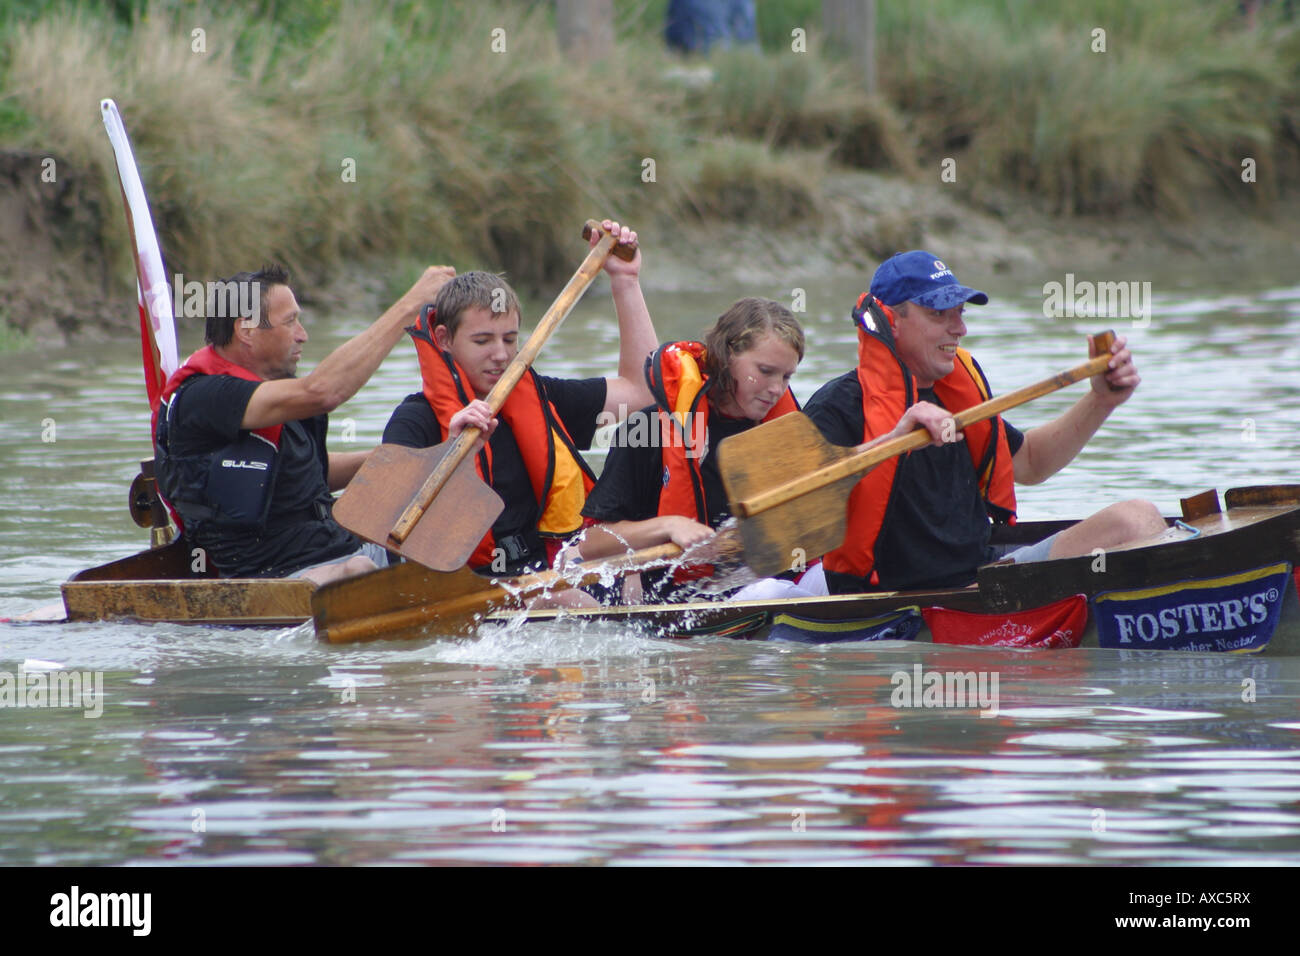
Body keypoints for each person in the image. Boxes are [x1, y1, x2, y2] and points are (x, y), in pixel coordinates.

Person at [803, 250, 1167, 594]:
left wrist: (1101, 400)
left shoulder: (959, 389)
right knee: (1136, 520)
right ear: (892, 320)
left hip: (982, 578)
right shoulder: (838, 405)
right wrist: (894, 439)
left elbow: (1031, 464)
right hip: (895, 600)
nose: (959, 328)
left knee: (1139, 521)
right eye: (939, 314)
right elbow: (801, 507)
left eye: (960, 313)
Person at [382, 221, 658, 578]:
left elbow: (642, 390)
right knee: (578, 602)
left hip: (543, 572)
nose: (501, 354)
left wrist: (625, 281)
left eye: (510, 340)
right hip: (466, 584)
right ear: (443, 339)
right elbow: (388, 531)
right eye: (482, 341)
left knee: (634, 577)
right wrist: (453, 449)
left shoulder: (544, 398)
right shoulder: (414, 420)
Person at [154, 262, 456, 584]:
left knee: (448, 529)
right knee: (362, 572)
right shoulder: (205, 396)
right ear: (247, 330)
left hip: (337, 550)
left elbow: (307, 478)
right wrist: (411, 305)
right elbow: (323, 391)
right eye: (291, 322)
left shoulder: (275, 393)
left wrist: (399, 460)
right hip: (280, 578)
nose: (303, 335)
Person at [575, 297, 804, 602]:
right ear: (727, 356)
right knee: (773, 593)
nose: (776, 389)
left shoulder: (783, 428)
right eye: (765, 371)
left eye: (786, 377)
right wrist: (669, 525)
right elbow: (592, 544)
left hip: (770, 584)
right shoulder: (647, 431)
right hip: (684, 601)